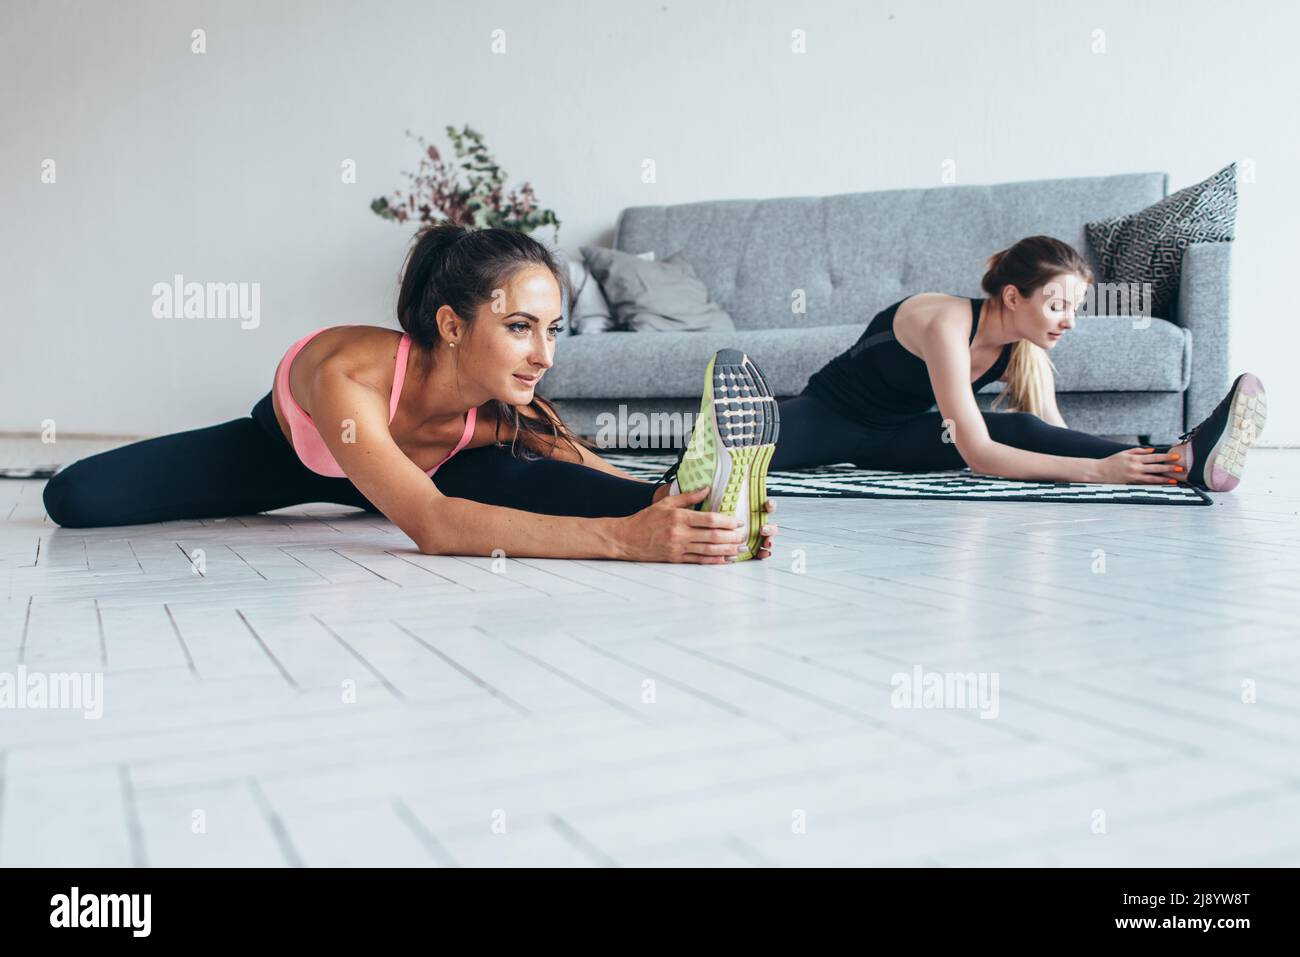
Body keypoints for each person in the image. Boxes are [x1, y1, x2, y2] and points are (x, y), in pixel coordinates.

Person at [42, 225, 779, 563]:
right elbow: (428, 525)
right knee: (75, 499)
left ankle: (699, 508)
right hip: (288, 458)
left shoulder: (496, 416)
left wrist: (662, 507)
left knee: (576, 483)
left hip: (432, 465)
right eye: (520, 326)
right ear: (452, 324)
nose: (544, 355)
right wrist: (621, 543)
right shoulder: (348, 375)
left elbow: (578, 457)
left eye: (553, 330)